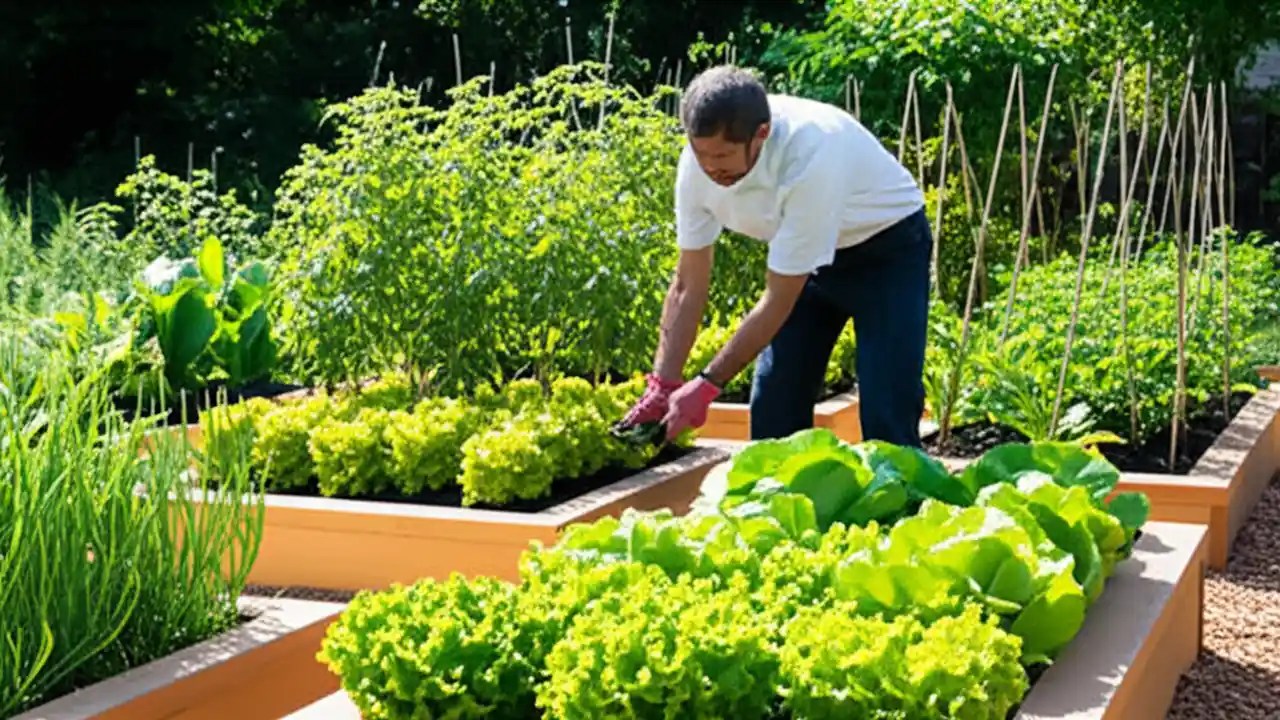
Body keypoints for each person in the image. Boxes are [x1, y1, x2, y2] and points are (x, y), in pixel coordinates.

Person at [617, 64, 933, 447]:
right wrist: (663, 384)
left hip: (888, 252)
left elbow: (779, 297)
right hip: (811, 263)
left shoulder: (810, 154)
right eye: (701, 154)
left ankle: (902, 485)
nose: (711, 167)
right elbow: (687, 285)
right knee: (774, 403)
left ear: (761, 135)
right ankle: (784, 488)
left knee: (887, 408)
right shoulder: (696, 168)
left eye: (723, 155)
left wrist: (708, 383)